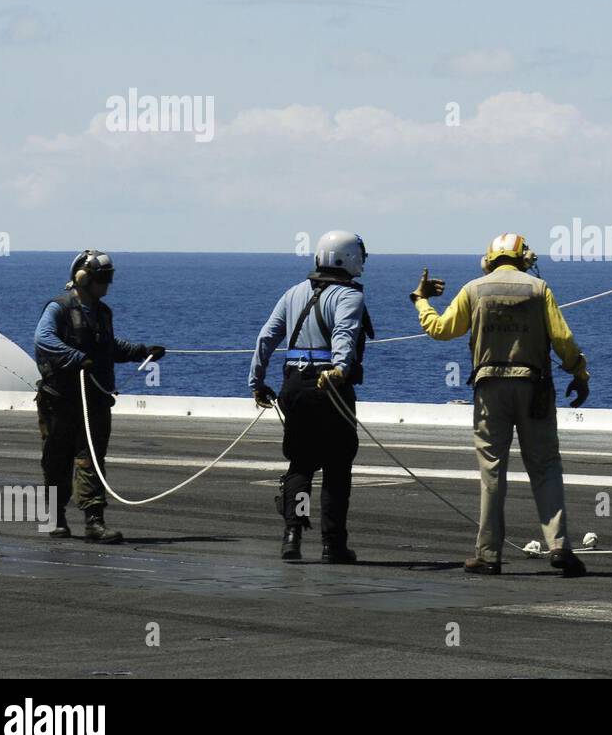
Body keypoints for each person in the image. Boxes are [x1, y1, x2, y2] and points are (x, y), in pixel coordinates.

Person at [411, 233, 589, 577]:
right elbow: (563, 339)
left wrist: (421, 300)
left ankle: (488, 553)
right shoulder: (539, 290)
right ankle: (559, 545)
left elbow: (441, 329)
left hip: (489, 388)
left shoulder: (474, 289)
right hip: (534, 388)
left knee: (492, 471)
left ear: (489, 259)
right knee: (545, 466)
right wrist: (579, 373)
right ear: (524, 257)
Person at [250, 231, 373, 564]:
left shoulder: (293, 293)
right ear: (348, 258)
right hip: (328, 386)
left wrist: (256, 381)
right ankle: (332, 545)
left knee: (301, 463)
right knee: (337, 464)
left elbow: (267, 336)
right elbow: (344, 335)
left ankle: (293, 534)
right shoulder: (350, 297)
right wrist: (341, 368)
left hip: (294, 386)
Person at [34, 250, 165, 543]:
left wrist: (142, 351)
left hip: (94, 400)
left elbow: (109, 346)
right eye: (102, 279)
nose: (107, 284)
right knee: (56, 459)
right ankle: (54, 517)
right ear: (84, 279)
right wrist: (75, 358)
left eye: (108, 278)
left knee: (91, 459)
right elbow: (43, 339)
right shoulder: (59, 308)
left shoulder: (103, 313)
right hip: (61, 400)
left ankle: (94, 521)